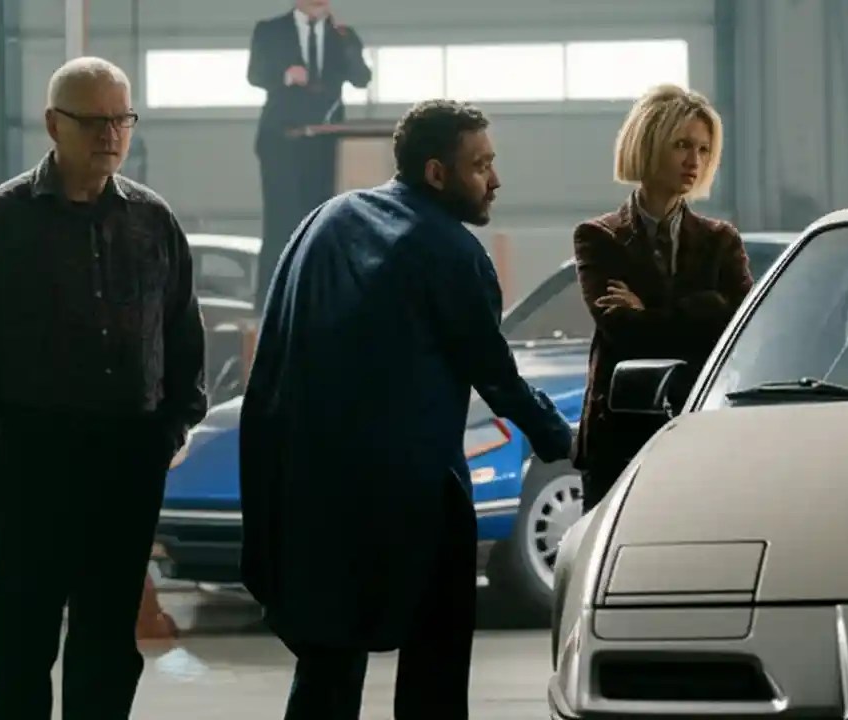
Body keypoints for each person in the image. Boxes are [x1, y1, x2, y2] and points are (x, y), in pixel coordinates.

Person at [239, 99, 573, 720]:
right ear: (437, 173)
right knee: (434, 679)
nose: (495, 180)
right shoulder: (451, 251)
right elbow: (496, 375)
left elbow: (272, 357)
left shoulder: (325, 221)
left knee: (327, 672)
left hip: (315, 496)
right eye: (481, 165)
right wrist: (565, 441)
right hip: (416, 501)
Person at [0, 56, 208, 719]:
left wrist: (168, 432)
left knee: (108, 642)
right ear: (54, 124)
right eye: (93, 121)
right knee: (22, 645)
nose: (110, 135)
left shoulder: (153, 221)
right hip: (33, 457)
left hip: (129, 459)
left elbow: (183, 340)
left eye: (122, 119)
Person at [572, 84, 753, 512]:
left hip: (699, 427)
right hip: (619, 438)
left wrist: (650, 312)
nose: (695, 161)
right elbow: (623, 332)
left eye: (704, 150)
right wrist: (706, 307)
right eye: (682, 145)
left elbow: (741, 328)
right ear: (649, 144)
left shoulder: (720, 240)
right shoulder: (599, 237)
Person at [248, 0, 373, 309]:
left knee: (324, 219)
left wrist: (346, 44)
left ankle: (323, 297)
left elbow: (361, 78)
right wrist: (285, 75)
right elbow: (255, 74)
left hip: (326, 142)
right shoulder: (270, 30)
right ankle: (271, 300)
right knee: (282, 218)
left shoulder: (342, 35)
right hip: (282, 140)